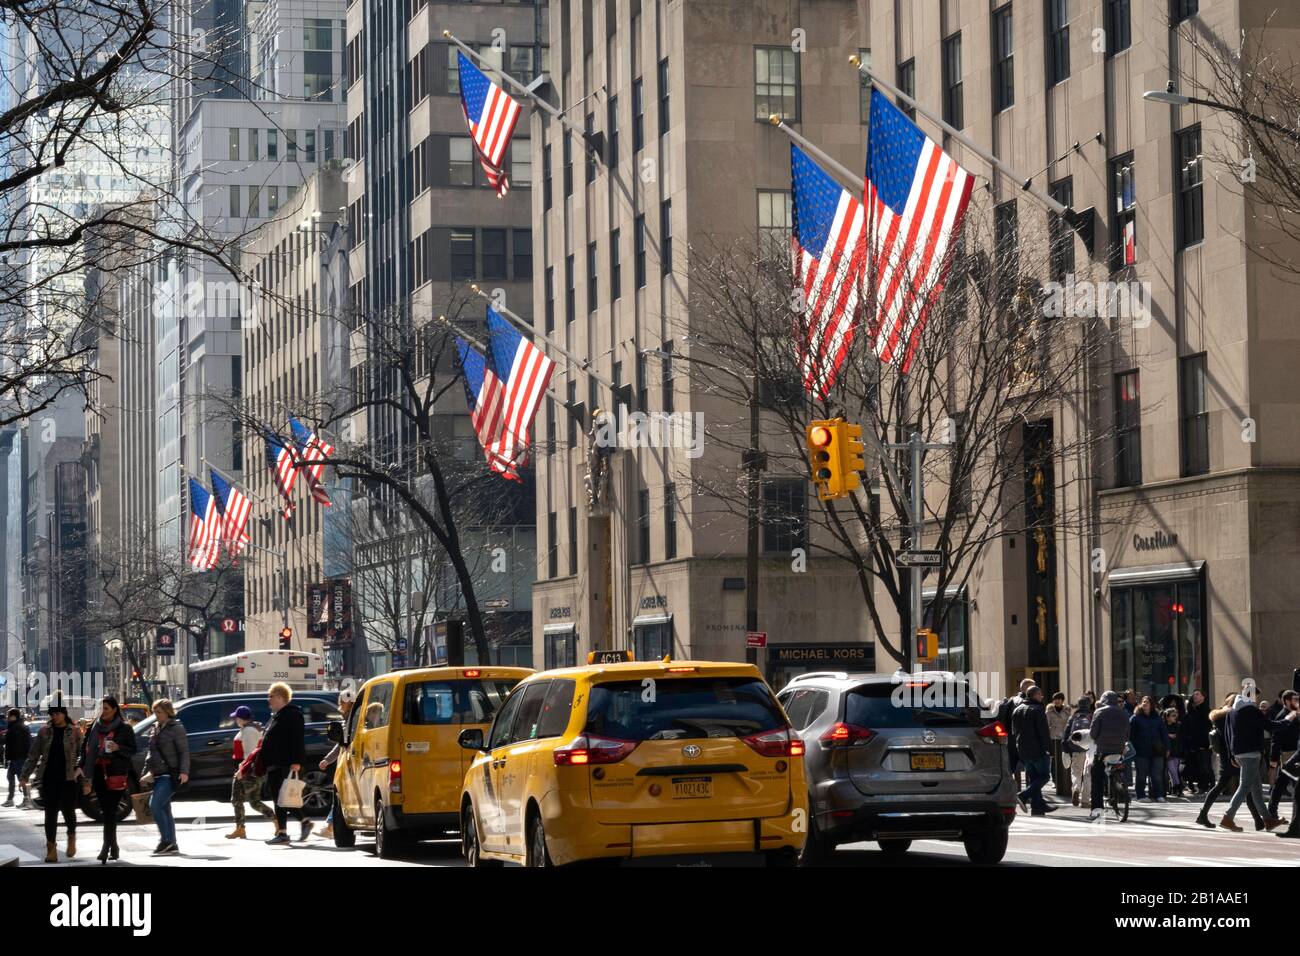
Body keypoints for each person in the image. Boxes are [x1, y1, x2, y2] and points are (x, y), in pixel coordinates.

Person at [1216, 688, 1296, 832]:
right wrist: (1287, 720)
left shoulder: (1232, 711)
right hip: (1251, 753)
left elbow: (1227, 734)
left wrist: (1231, 755)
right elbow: (1270, 726)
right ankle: (1228, 817)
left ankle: (1268, 820)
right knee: (1245, 786)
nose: (1256, 700)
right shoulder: (1252, 710)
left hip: (1239, 753)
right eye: (1256, 697)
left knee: (1256, 789)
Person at [20, 700, 83, 863]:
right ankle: (51, 849)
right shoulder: (44, 732)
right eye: (52, 714)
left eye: (57, 714)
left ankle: (71, 836)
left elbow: (82, 754)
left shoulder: (75, 731)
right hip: (49, 778)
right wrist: (24, 775)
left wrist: (81, 770)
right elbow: (33, 755)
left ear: (64, 714)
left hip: (69, 778)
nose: (54, 717)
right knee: (50, 814)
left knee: (68, 812)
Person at [77, 696, 136, 863]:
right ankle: (114, 846)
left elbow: (132, 750)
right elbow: (85, 750)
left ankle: (105, 847)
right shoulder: (93, 727)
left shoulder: (124, 728)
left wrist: (118, 748)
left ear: (115, 709)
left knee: (110, 810)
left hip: (115, 773)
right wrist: (80, 767)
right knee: (106, 811)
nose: (103, 712)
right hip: (97, 773)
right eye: (101, 709)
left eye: (106, 709)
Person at [261, 682, 310, 845]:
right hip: (274, 764)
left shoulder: (292, 715)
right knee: (279, 798)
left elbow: (297, 740)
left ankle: (283, 832)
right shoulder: (277, 715)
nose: (268, 699)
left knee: (282, 797)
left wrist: (296, 761)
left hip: (285, 764)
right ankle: (297, 825)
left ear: (281, 697)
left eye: (271, 696)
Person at [145, 699, 189, 855]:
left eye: (159, 712)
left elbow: (184, 751)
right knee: (165, 808)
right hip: (157, 774)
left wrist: (184, 771)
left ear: (168, 712)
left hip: (170, 774)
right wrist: (146, 771)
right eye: (154, 712)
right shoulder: (155, 727)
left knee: (155, 805)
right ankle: (172, 843)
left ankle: (166, 841)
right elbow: (151, 752)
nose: (156, 715)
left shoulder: (176, 728)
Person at [226, 705, 273, 839]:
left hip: (248, 771)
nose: (235, 720)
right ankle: (240, 828)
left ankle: (276, 821)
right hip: (242, 770)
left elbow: (250, 754)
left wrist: (242, 770)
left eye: (236, 717)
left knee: (254, 802)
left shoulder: (249, 731)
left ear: (241, 718)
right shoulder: (246, 729)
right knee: (236, 800)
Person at [318, 688, 355, 841]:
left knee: (340, 794)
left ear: (349, 702)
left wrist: (327, 760)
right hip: (347, 763)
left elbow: (341, 744)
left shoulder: (351, 720)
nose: (340, 704)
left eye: (342, 702)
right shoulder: (348, 719)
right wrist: (328, 759)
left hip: (350, 764)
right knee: (340, 795)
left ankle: (330, 826)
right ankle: (330, 826)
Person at [1088, 690, 1131, 818]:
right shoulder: (1124, 713)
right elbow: (1128, 733)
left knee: (1096, 777)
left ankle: (1097, 809)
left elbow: (1093, 733)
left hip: (1103, 749)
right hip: (1119, 749)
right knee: (1117, 769)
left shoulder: (1099, 712)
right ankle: (1119, 790)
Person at [1012, 686, 1054, 815]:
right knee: (1044, 776)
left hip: (1023, 749)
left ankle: (1038, 806)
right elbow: (1043, 732)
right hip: (1038, 749)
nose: (1042, 696)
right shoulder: (1038, 709)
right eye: (1040, 694)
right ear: (1035, 695)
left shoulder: (1017, 709)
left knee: (1034, 778)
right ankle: (1023, 795)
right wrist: (1048, 749)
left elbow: (1015, 731)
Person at [1129, 696, 1169, 801]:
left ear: (1151, 704)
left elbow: (1164, 734)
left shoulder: (1157, 718)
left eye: (1147, 702)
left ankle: (1159, 795)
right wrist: (1132, 749)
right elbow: (1130, 736)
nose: (1145, 703)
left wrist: (1167, 748)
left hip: (1157, 751)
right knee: (1141, 775)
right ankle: (1141, 795)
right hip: (1141, 751)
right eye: (1143, 702)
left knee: (1156, 774)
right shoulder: (1135, 718)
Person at [1267, 691, 1299, 820]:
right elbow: (1276, 740)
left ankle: (1272, 811)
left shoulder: (1295, 713)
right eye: (1294, 700)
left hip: (1295, 754)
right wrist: (1273, 760)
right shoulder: (1282, 716)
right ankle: (1272, 812)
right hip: (1288, 755)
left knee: (1282, 784)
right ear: (1286, 701)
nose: (1297, 702)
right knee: (1281, 784)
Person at [997, 679, 1034, 788]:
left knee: (1013, 767)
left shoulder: (1011, 700)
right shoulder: (1027, 702)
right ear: (1026, 688)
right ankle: (1028, 792)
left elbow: (1004, 720)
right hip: (1025, 740)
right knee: (1030, 766)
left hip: (1012, 739)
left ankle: (1016, 790)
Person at [1182, 690, 1214, 796]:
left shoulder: (1206, 711)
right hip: (1191, 744)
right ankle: (1195, 786)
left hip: (1203, 744)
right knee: (1194, 766)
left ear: (1203, 697)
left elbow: (1208, 728)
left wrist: (1205, 744)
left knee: (1205, 766)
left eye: (1197, 694)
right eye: (1194, 694)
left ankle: (1208, 787)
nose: (1195, 696)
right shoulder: (1190, 710)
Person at [1062, 697, 1092, 806]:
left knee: (1076, 772)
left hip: (1076, 748)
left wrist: (1065, 749)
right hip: (1089, 749)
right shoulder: (1092, 716)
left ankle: (1076, 788)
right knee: (1088, 775)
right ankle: (1085, 800)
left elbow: (1066, 735)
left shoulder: (1073, 717)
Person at [1045, 692, 1072, 798]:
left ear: (1062, 700)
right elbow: (1046, 725)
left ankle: (1066, 780)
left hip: (1065, 738)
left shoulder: (1067, 710)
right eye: (1055, 699)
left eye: (1059, 699)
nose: (1057, 701)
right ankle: (1055, 781)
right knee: (1054, 760)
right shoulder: (1049, 711)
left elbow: (1070, 723)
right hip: (1054, 738)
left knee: (1065, 759)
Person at [3, 709, 31, 807]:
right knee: (10, 777)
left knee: (21, 778)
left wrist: (15, 756)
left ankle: (26, 799)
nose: (7, 718)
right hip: (15, 758)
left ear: (13, 716)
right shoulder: (15, 726)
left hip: (18, 758)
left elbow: (17, 744)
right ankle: (10, 799)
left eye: (8, 716)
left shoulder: (17, 727)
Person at [1163, 707, 1184, 797]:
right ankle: (1178, 786)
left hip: (1176, 750)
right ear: (1167, 717)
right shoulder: (1163, 726)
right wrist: (1168, 735)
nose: (1175, 717)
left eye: (1175, 715)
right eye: (1173, 715)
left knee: (1175, 770)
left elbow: (1181, 737)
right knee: (1172, 770)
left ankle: (1175, 787)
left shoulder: (1178, 725)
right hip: (1168, 750)